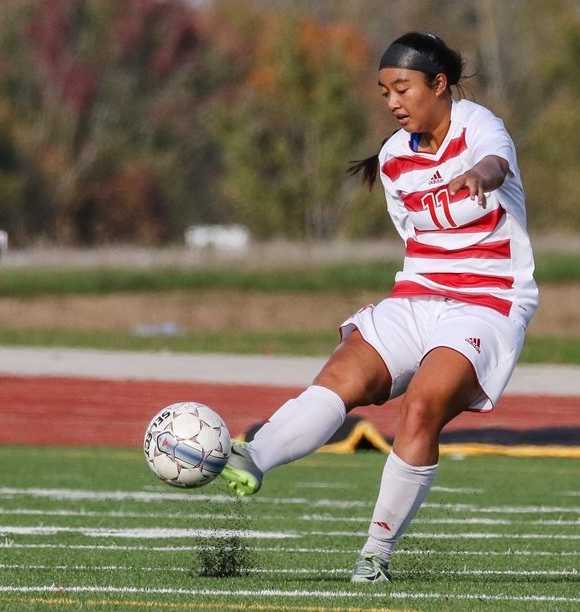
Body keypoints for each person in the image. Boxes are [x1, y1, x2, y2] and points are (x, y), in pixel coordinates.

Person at [218, 32, 538, 581]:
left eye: (403, 88)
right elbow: (415, 241)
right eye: (384, 91)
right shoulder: (393, 158)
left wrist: (476, 178)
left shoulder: (479, 125)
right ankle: (253, 456)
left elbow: (495, 167)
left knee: (422, 408)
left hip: (485, 303)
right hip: (416, 296)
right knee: (338, 380)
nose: (392, 101)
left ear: (439, 85)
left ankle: (374, 555)